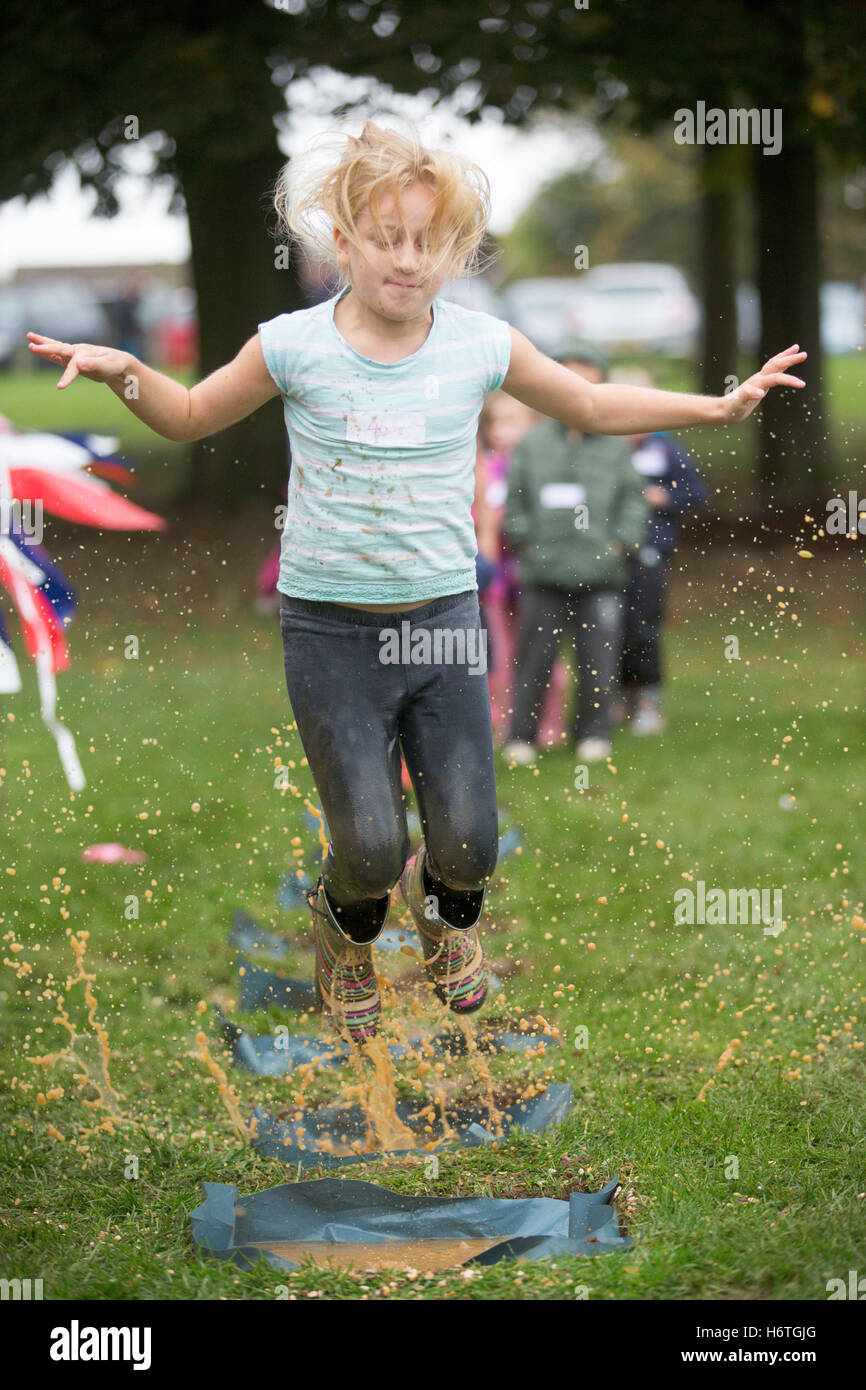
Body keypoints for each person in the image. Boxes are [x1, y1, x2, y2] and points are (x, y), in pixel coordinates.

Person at [25, 120, 807, 1043]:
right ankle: (343, 934)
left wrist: (716, 404)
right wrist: (126, 374)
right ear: (343, 242)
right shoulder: (293, 345)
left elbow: (592, 405)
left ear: (456, 248)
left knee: (468, 840)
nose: (408, 259)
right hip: (330, 632)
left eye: (429, 240)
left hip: (442, 623)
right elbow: (192, 414)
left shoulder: (481, 343)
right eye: (386, 238)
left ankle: (446, 928)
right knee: (367, 846)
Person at [503, 340, 648, 766]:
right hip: (543, 574)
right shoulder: (532, 445)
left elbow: (634, 500)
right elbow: (515, 499)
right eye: (569, 374)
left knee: (598, 660)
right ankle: (522, 737)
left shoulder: (615, 445)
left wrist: (621, 543)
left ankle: (593, 733)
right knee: (534, 660)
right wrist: (524, 538)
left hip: (601, 575)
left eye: (589, 375)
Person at [609, 366, 709, 735]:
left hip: (650, 550)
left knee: (642, 627)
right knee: (609, 625)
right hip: (608, 553)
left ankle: (650, 697)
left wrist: (663, 497)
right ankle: (619, 693)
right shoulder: (601, 451)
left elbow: (696, 492)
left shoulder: (665, 451)